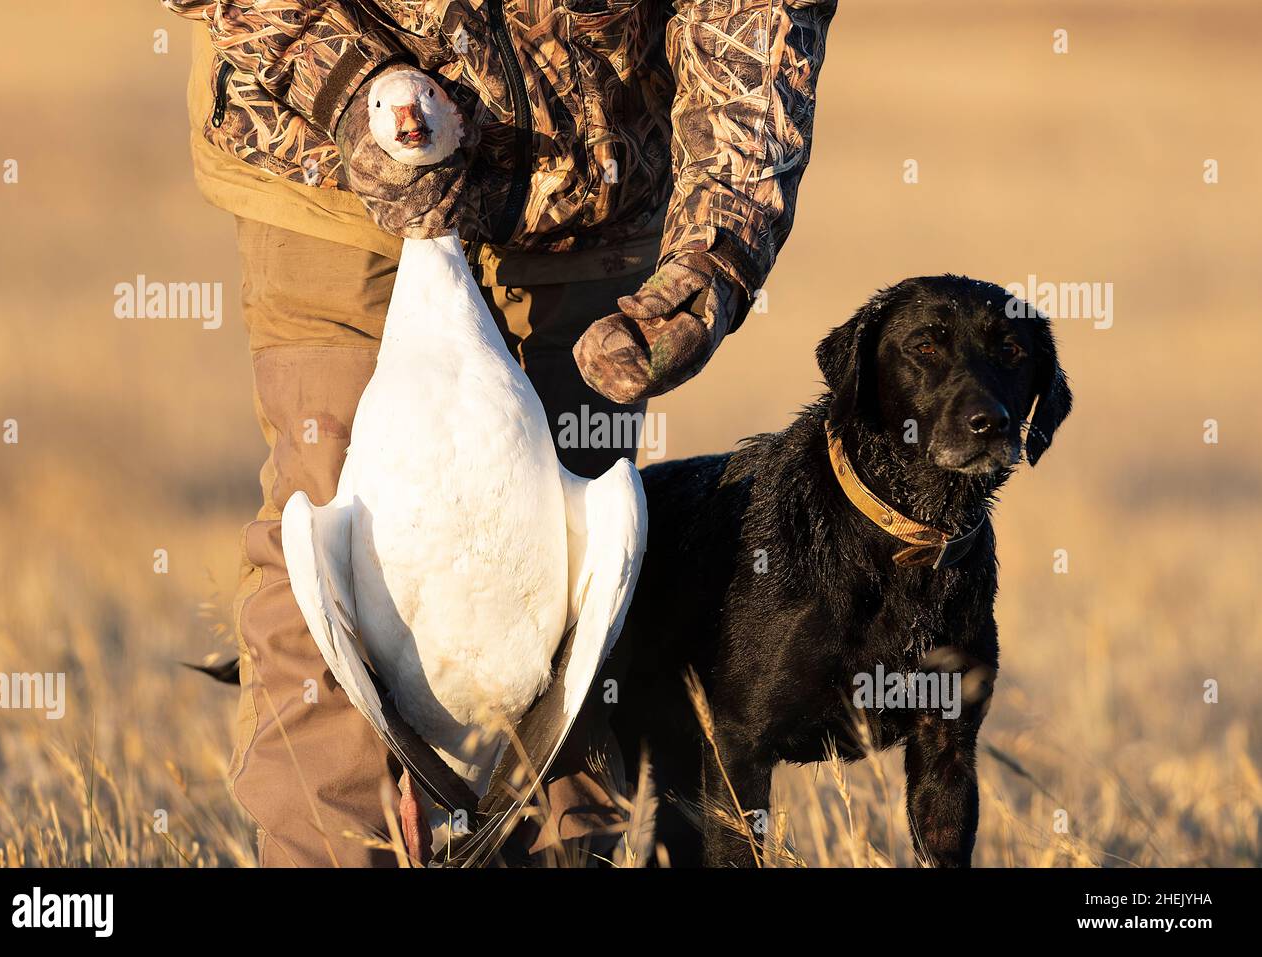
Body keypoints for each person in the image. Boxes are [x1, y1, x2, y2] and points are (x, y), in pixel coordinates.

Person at [163, 0, 837, 867]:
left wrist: (715, 253)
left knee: (586, 572)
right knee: (330, 524)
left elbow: (755, 20)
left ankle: (548, 854)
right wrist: (343, 87)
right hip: (321, 166)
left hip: (584, 180)